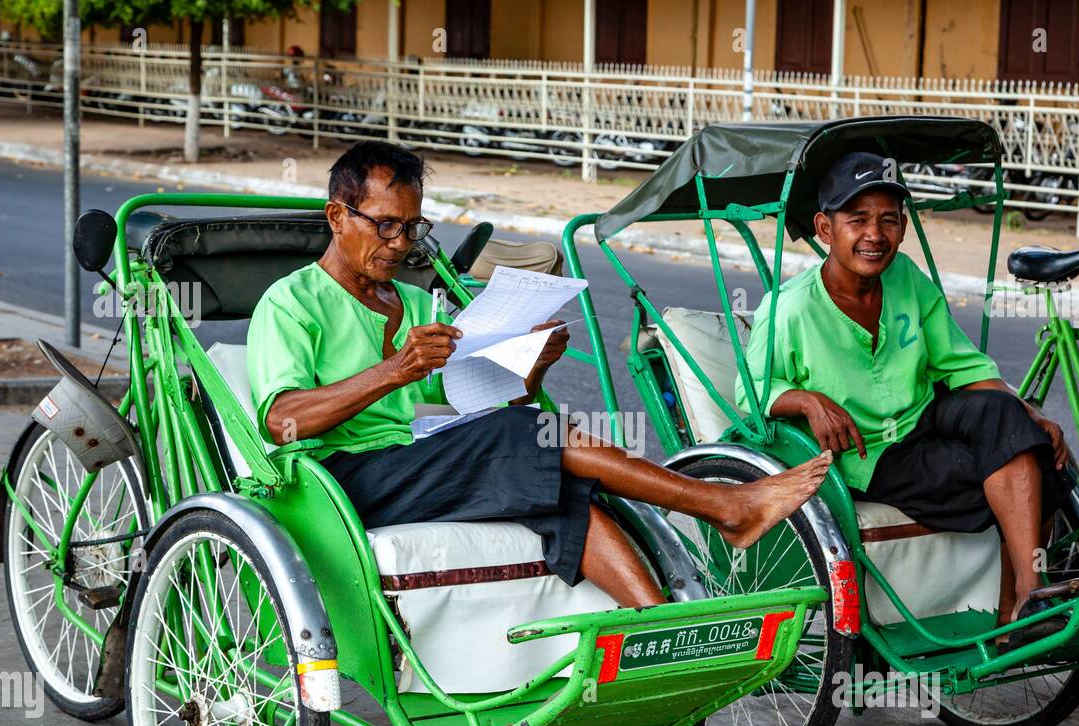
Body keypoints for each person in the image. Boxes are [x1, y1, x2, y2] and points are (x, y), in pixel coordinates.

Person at [248, 140, 832, 608]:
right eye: (384, 225)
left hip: (412, 463)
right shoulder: (292, 301)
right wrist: (394, 370)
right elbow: (283, 421)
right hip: (338, 484)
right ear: (337, 216)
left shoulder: (413, 303)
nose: (400, 243)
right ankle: (724, 506)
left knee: (563, 485)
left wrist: (529, 364)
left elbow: (472, 405)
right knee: (531, 438)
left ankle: (658, 629)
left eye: (413, 228)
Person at [736, 151, 1074, 645]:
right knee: (1034, 466)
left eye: (888, 221)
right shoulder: (789, 309)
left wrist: (1029, 413)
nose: (875, 235)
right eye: (858, 220)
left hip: (923, 416)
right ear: (825, 229)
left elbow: (964, 365)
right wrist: (806, 400)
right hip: (871, 454)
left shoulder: (907, 278)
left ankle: (1026, 594)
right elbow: (750, 392)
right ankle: (1015, 606)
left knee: (1011, 420)